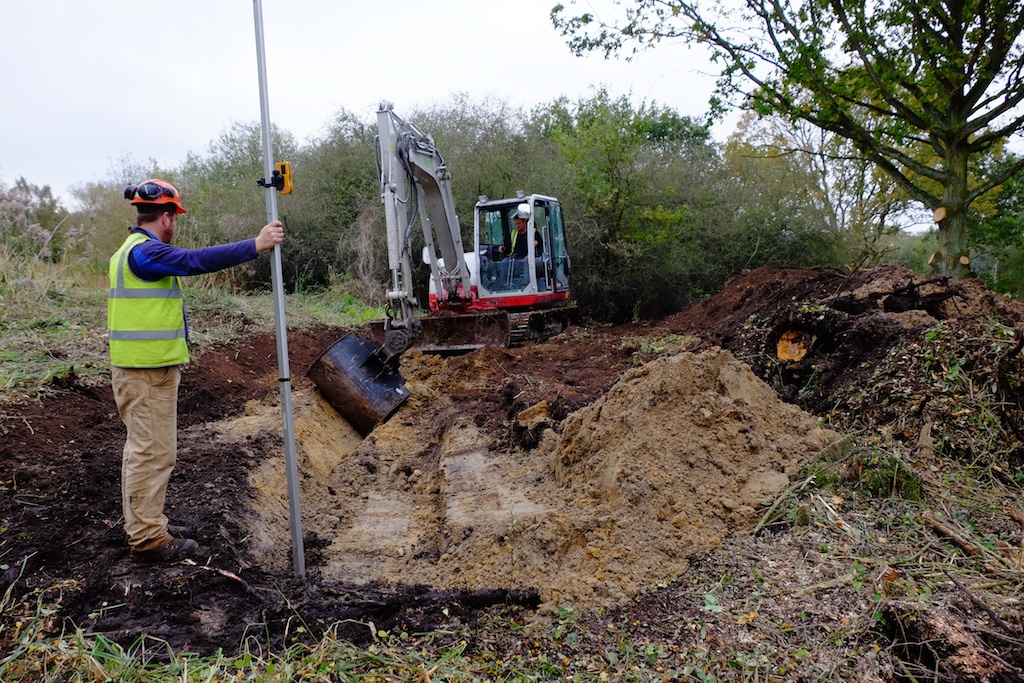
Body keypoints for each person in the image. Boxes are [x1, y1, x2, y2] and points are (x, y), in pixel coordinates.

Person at [108, 179, 284, 562]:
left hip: (143, 370)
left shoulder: (130, 250)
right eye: (176, 218)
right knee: (150, 453)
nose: (176, 226)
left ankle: (148, 524)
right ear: (167, 217)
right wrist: (255, 245)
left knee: (149, 451)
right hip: (145, 373)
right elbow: (194, 261)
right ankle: (148, 538)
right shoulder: (145, 253)